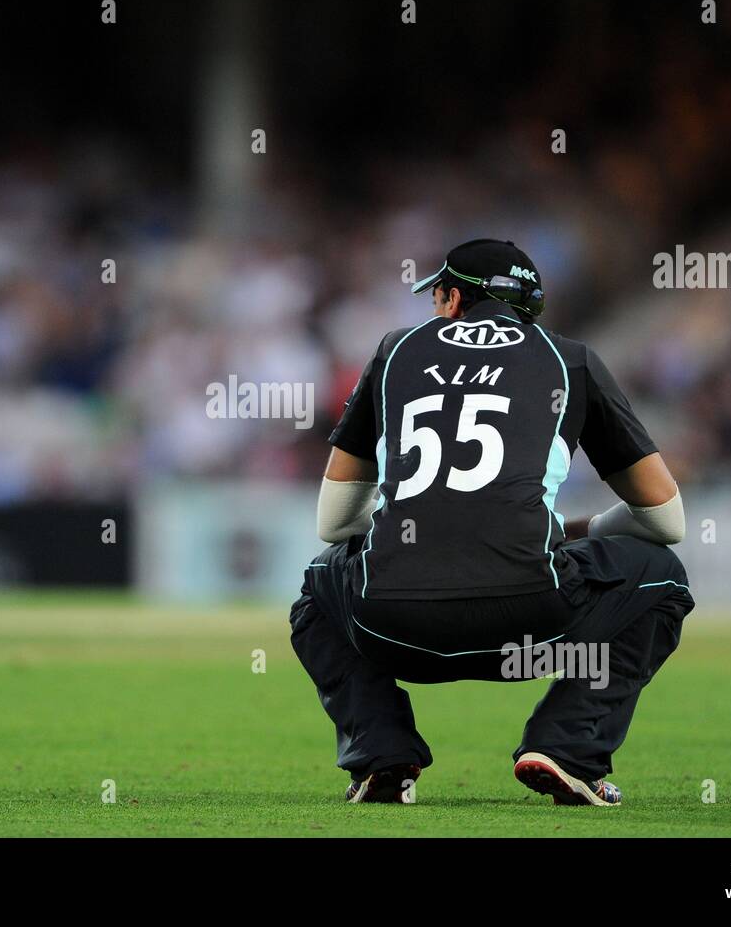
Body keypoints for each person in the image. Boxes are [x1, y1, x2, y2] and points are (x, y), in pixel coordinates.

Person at [290, 239, 694, 805]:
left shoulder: (393, 351)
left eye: (436, 295)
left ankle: (382, 756)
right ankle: (567, 748)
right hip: (532, 627)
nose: (433, 308)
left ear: (454, 298)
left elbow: (333, 523)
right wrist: (573, 532)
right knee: (663, 576)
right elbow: (665, 518)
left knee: (317, 587)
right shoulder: (569, 359)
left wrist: (410, 524)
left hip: (396, 625)